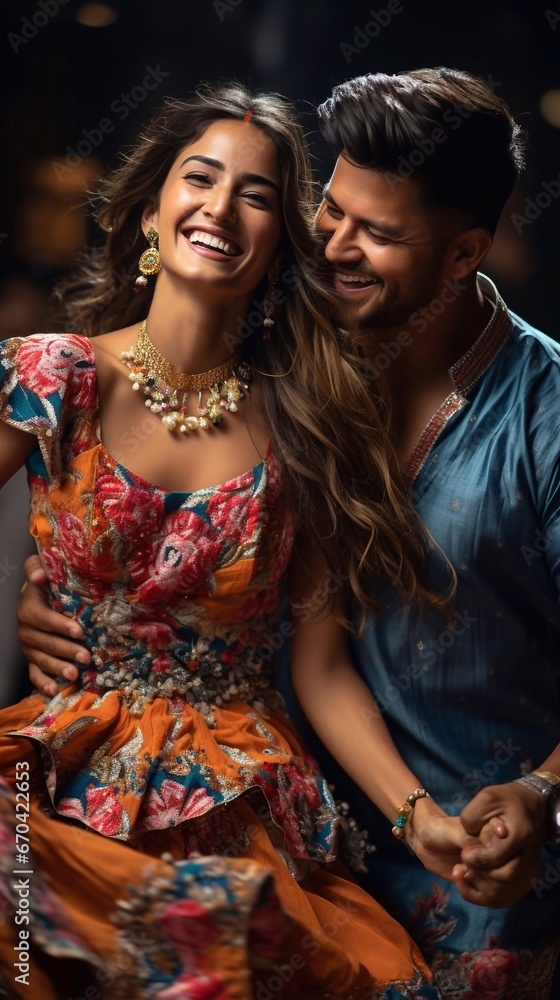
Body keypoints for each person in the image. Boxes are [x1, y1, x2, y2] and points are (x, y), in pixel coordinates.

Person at [17, 67, 560, 998]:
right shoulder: (286, 356)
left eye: (378, 234)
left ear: (466, 251)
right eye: (329, 213)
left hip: (465, 886)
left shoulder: (537, 415)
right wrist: (63, 599)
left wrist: (545, 795)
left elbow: (320, 656)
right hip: (243, 832)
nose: (337, 247)